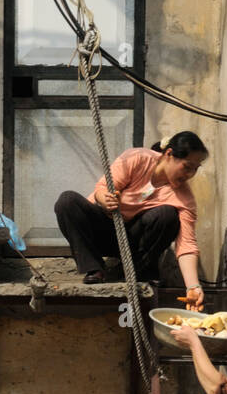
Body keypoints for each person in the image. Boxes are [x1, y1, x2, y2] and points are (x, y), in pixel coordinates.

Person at [54, 131, 208, 310]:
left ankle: (136, 271)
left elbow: (187, 245)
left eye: (196, 169)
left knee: (167, 215)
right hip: (104, 229)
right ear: (169, 154)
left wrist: (193, 287)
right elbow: (101, 188)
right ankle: (94, 268)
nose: (190, 174)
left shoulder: (184, 198)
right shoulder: (137, 158)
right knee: (67, 201)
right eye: (187, 166)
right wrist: (105, 199)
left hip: (134, 241)